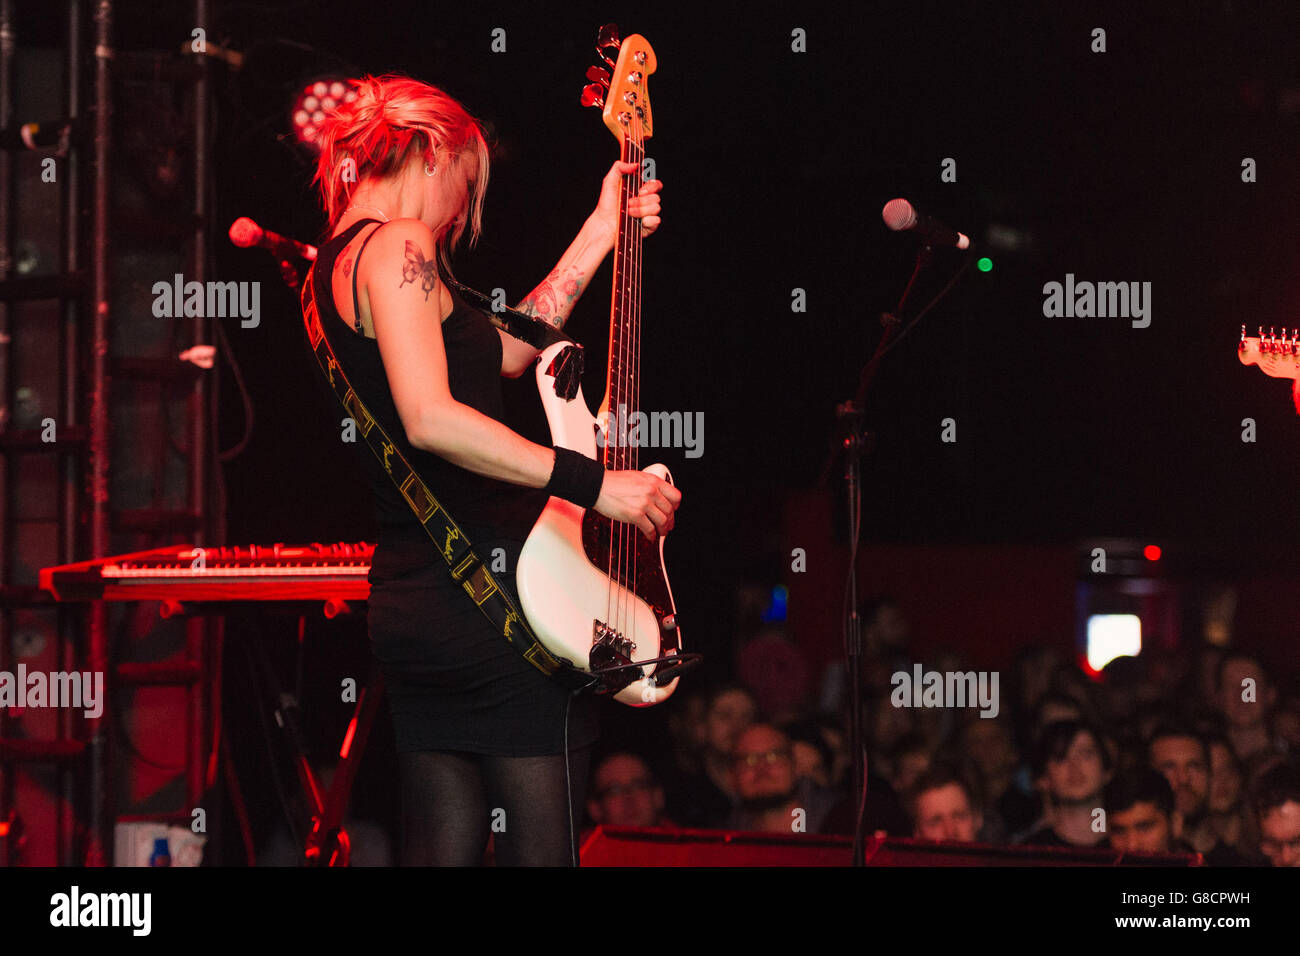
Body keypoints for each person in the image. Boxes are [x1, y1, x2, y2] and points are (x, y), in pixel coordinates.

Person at [305, 74, 678, 866]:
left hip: (419, 601)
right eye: (467, 186)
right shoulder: (400, 245)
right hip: (491, 605)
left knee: (440, 850)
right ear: (435, 150)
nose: (458, 214)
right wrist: (598, 485)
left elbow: (508, 350)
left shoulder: (333, 266)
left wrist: (598, 231)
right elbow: (432, 419)